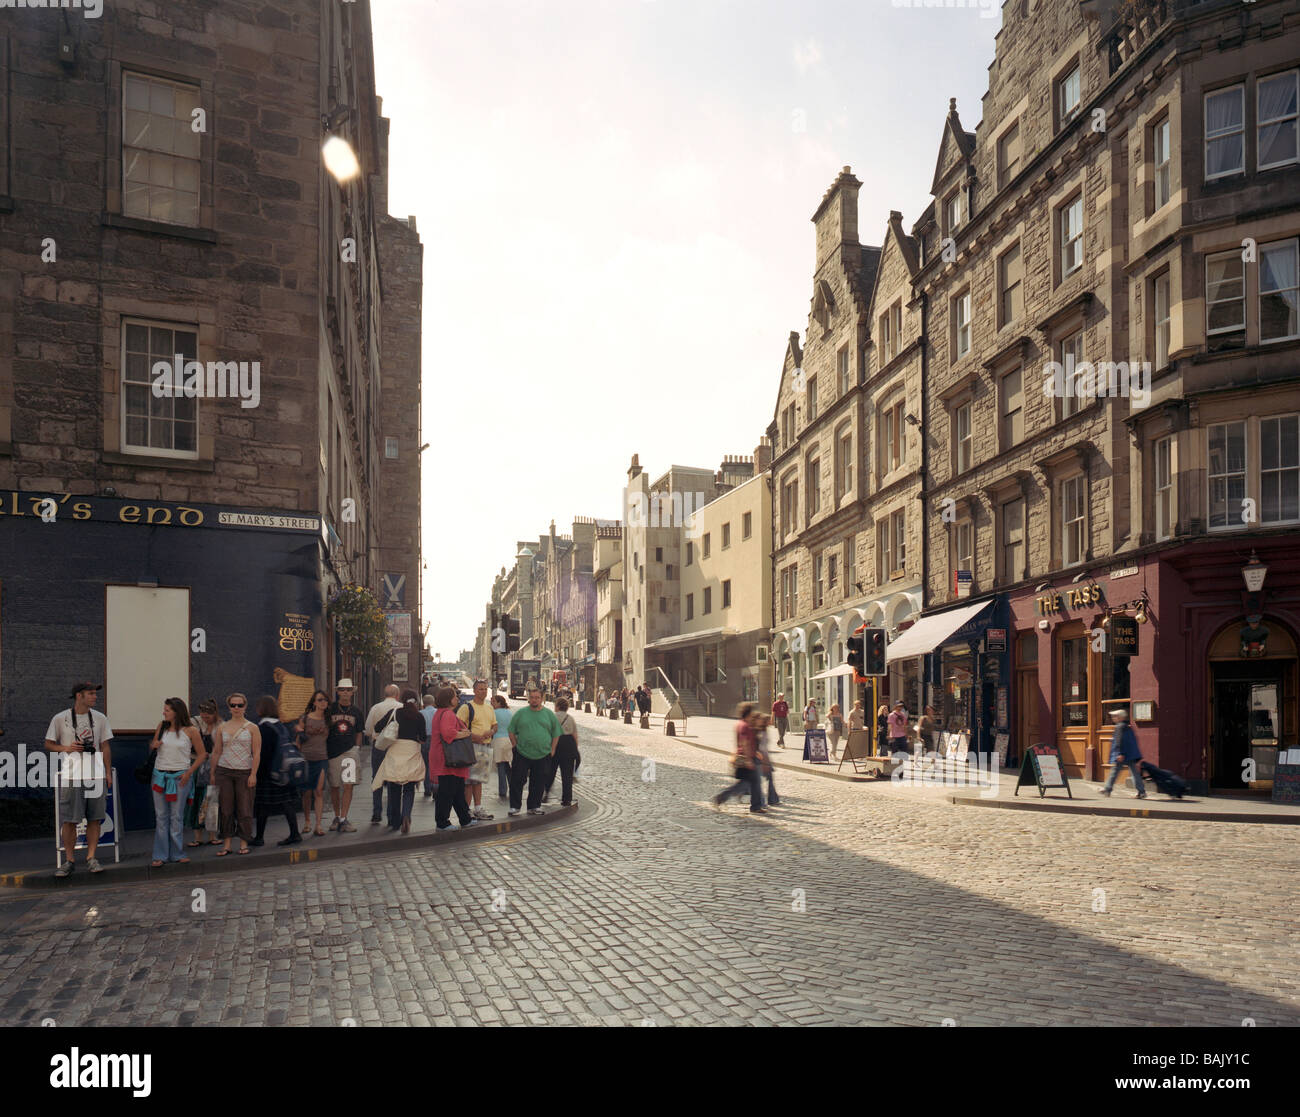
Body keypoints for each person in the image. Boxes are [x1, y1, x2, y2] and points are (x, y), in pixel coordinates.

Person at [46, 682, 114, 877]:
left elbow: (105, 746)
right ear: (79, 696)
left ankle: (91, 858)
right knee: (69, 820)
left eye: (95, 694)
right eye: (90, 694)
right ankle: (69, 860)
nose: (95, 697)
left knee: (95, 819)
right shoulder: (61, 718)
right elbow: (49, 744)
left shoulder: (100, 718)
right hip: (72, 775)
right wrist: (66, 748)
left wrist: (108, 773)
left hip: (96, 774)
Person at [147, 697, 206, 867]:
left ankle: (177, 853)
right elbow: (153, 746)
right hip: (160, 775)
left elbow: (202, 754)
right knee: (161, 816)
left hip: (180, 777)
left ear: (177, 712)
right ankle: (160, 855)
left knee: (176, 816)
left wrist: (189, 773)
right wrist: (154, 745)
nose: (163, 712)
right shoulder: (161, 727)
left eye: (167, 710)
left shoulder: (191, 731)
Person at [373, 689, 427, 833]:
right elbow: (423, 738)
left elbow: (377, 727)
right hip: (411, 752)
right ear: (416, 700)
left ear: (401, 699)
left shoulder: (394, 713)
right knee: (409, 788)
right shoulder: (419, 716)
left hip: (395, 752)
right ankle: (406, 816)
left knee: (394, 787)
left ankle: (395, 821)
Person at [210, 693, 258, 855]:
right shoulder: (222, 727)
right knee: (226, 809)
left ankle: (244, 843)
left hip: (244, 771)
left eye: (239, 705)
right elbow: (216, 751)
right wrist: (212, 772)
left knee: (245, 809)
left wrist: (253, 774)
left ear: (245, 707)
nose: (236, 708)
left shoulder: (252, 727)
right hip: (224, 771)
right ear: (229, 707)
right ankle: (227, 844)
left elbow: (256, 753)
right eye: (233, 705)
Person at [251, 695, 301, 847]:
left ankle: (259, 837)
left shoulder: (263, 728)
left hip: (269, 771)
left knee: (263, 805)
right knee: (287, 803)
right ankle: (294, 833)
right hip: (284, 770)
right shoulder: (281, 725)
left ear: (262, 709)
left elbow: (263, 753)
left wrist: (258, 773)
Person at [508, 686, 561, 817]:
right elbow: (511, 730)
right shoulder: (521, 713)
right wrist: (515, 745)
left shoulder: (548, 714)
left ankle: (534, 806)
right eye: (532, 697)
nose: (534, 700)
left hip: (543, 754)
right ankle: (515, 806)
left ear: (542, 699)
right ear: (528, 698)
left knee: (538, 782)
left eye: (537, 697)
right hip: (522, 753)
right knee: (517, 780)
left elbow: (556, 733)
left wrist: (553, 749)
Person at [429, 685, 475, 830]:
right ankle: (442, 822)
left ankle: (465, 819)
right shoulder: (448, 714)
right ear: (449, 699)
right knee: (447, 791)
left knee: (456, 790)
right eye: (455, 696)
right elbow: (448, 734)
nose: (457, 698)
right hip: (447, 758)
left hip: (444, 756)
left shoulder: (440, 712)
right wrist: (465, 733)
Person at [325, 679, 362, 833]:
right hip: (333, 752)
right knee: (334, 786)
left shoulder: (356, 711)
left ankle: (343, 818)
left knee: (348, 785)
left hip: (349, 752)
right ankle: (336, 815)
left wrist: (356, 748)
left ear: (352, 692)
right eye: (342, 689)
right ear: (338, 691)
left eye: (348, 689)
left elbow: (359, 731)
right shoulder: (331, 709)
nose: (345, 692)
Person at [713, 703, 764, 813]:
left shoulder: (741, 724)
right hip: (746, 758)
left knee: (752, 783)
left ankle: (756, 806)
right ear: (748, 713)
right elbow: (745, 743)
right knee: (745, 784)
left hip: (747, 757)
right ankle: (721, 797)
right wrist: (749, 760)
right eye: (751, 712)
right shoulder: (744, 725)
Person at [457, 679, 497, 821]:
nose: (483, 691)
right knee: (468, 782)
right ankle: (467, 811)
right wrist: (475, 737)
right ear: (474, 691)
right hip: (471, 747)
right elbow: (459, 727)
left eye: (485, 689)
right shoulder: (466, 708)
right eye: (480, 689)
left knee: (478, 780)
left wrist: (490, 733)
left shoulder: (489, 708)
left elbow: (495, 725)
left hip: (485, 746)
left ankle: (478, 808)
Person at [364, 685, 402, 825]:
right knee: (393, 778)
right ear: (397, 694)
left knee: (377, 777)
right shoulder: (401, 707)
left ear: (384, 694)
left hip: (378, 746)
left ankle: (376, 812)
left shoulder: (375, 708)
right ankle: (391, 814)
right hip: (395, 747)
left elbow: (368, 729)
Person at [294, 690, 331, 837]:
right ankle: (307, 822)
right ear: (314, 702)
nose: (323, 703)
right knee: (307, 793)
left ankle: (319, 825)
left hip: (322, 758)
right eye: (320, 700)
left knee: (319, 791)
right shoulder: (305, 718)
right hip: (306, 758)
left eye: (325, 700)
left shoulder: (328, 719)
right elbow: (298, 740)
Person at [186, 699, 220, 848]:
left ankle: (213, 835)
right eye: (203, 714)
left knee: (212, 799)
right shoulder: (193, 722)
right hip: (196, 764)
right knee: (196, 799)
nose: (205, 717)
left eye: (208, 715)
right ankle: (197, 836)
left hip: (213, 765)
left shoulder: (220, 724)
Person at [1100, 708, 1146, 799]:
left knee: (1115, 771)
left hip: (1122, 754)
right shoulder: (1128, 726)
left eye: (1115, 716)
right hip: (1130, 754)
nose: (1113, 718)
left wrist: (1120, 753)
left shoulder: (1119, 727)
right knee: (1134, 773)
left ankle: (1107, 789)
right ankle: (1141, 792)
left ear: (1120, 717)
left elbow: (1119, 740)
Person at [544, 697, 580, 807]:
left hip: (556, 744)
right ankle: (567, 799)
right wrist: (575, 749)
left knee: (550, 771)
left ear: (557, 706)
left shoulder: (552, 717)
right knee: (567, 774)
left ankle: (544, 794)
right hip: (569, 745)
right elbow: (575, 736)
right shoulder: (570, 718)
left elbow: (548, 733)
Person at [491, 694, 514, 799]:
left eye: (494, 701)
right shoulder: (509, 712)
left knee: (500, 765)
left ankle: (502, 790)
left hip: (498, 740)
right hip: (509, 740)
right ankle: (513, 787)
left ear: (499, 703)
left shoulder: (493, 713)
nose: (492, 703)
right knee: (507, 765)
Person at [755, 712, 780, 807]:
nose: (771, 721)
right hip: (763, 758)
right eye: (769, 720)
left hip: (764, 758)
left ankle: (772, 798)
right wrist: (765, 761)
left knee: (767, 779)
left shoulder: (764, 730)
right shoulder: (762, 732)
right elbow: (762, 748)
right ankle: (771, 799)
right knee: (760, 780)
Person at [419, 693, 437, 799]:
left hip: (424, 740)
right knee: (434, 765)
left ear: (423, 703)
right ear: (433, 702)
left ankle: (427, 789)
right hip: (435, 740)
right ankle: (435, 787)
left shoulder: (420, 713)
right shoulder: (437, 712)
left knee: (425, 765)